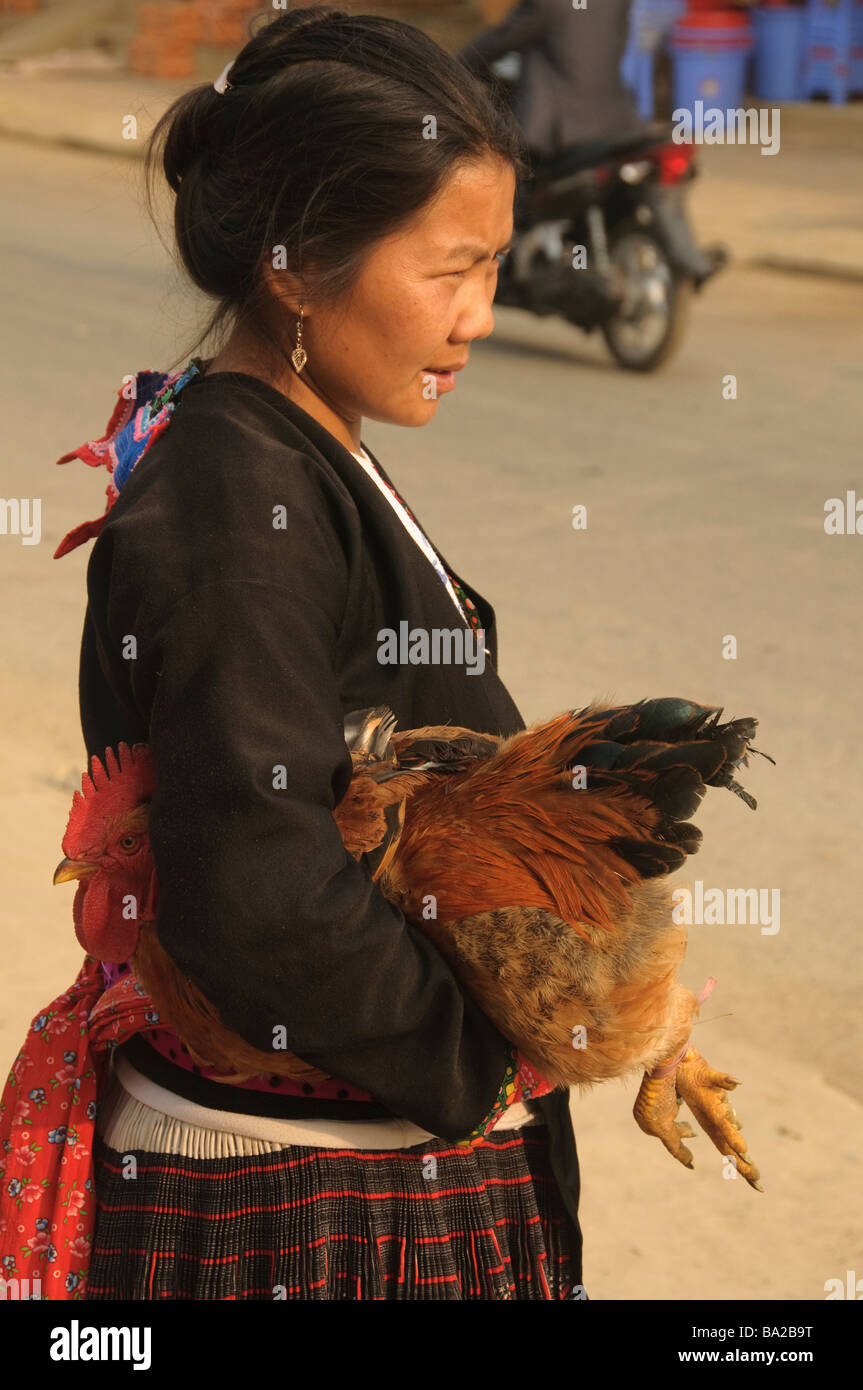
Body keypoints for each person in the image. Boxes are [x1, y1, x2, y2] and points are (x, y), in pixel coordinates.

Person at [66, 6, 585, 1300]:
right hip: (306, 1210)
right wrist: (485, 1056)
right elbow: (257, 885)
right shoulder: (240, 498)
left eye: (493, 266)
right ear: (294, 265)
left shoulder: (297, 445)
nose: (478, 315)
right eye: (446, 269)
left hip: (355, 1179)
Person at [459, 0, 643, 163]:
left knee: (515, 182)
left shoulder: (545, 4)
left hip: (558, 130)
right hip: (616, 121)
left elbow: (499, 41)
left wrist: (456, 67)